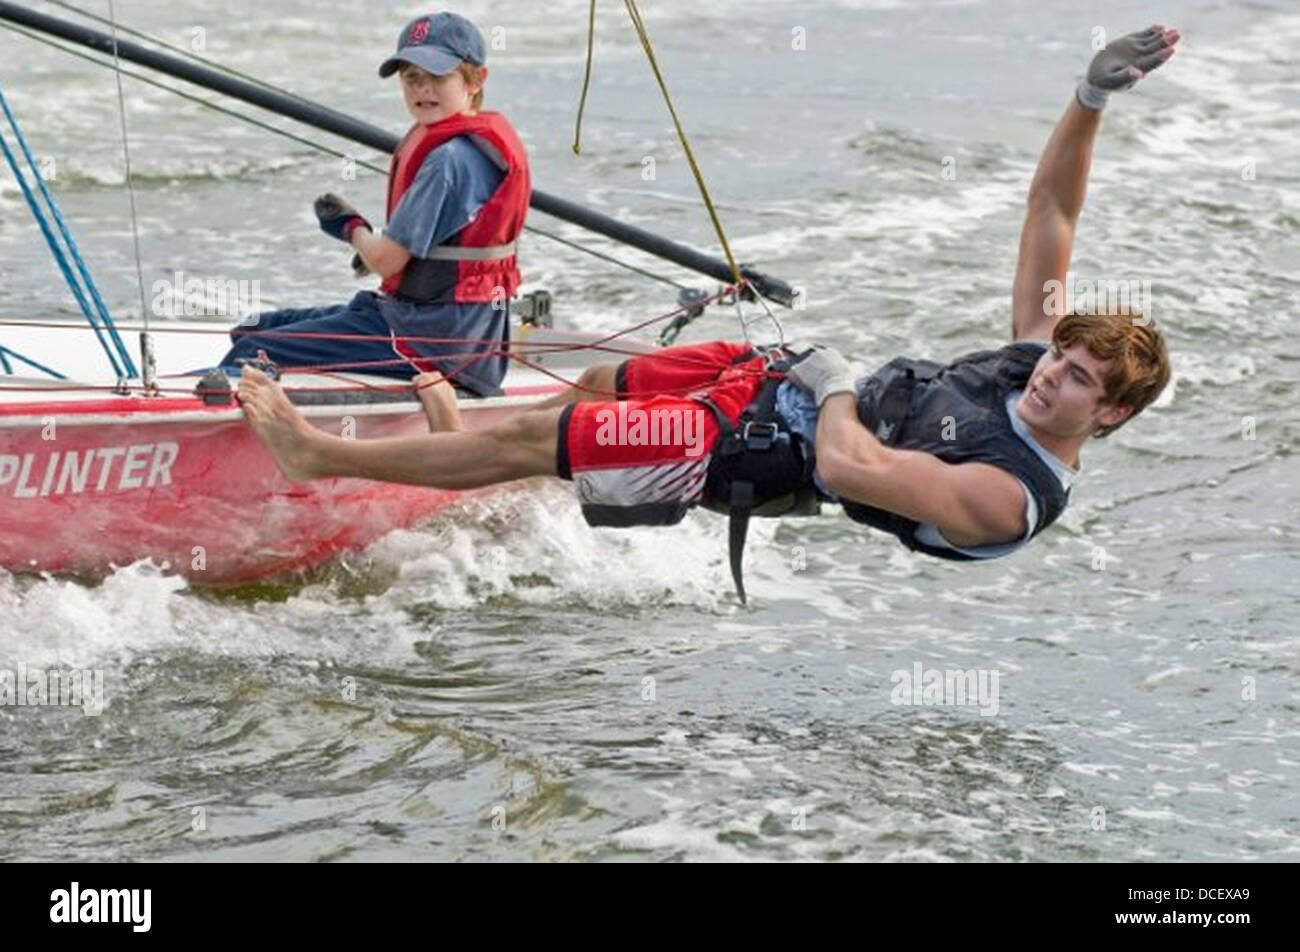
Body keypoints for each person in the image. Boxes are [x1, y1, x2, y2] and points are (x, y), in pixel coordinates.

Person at [236, 25, 1178, 601]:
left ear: (1112, 415)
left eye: (1078, 382)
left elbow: (854, 465)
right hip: (778, 384)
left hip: (746, 450)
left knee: (546, 439)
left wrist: (834, 378)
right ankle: (477, 463)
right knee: (600, 379)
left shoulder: (1007, 499)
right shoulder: (1033, 359)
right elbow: (1052, 213)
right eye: (1061, 358)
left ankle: (324, 455)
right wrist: (1089, 96)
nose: (1052, 373)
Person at [217, 11, 531, 396]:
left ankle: (202, 430)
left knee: (254, 349)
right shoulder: (460, 146)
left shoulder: (448, 160)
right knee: (252, 326)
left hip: (433, 343)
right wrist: (373, 250)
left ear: (475, 79)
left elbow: (387, 261)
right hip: (449, 330)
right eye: (412, 78)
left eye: (438, 76)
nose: (423, 90)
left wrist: (350, 228)